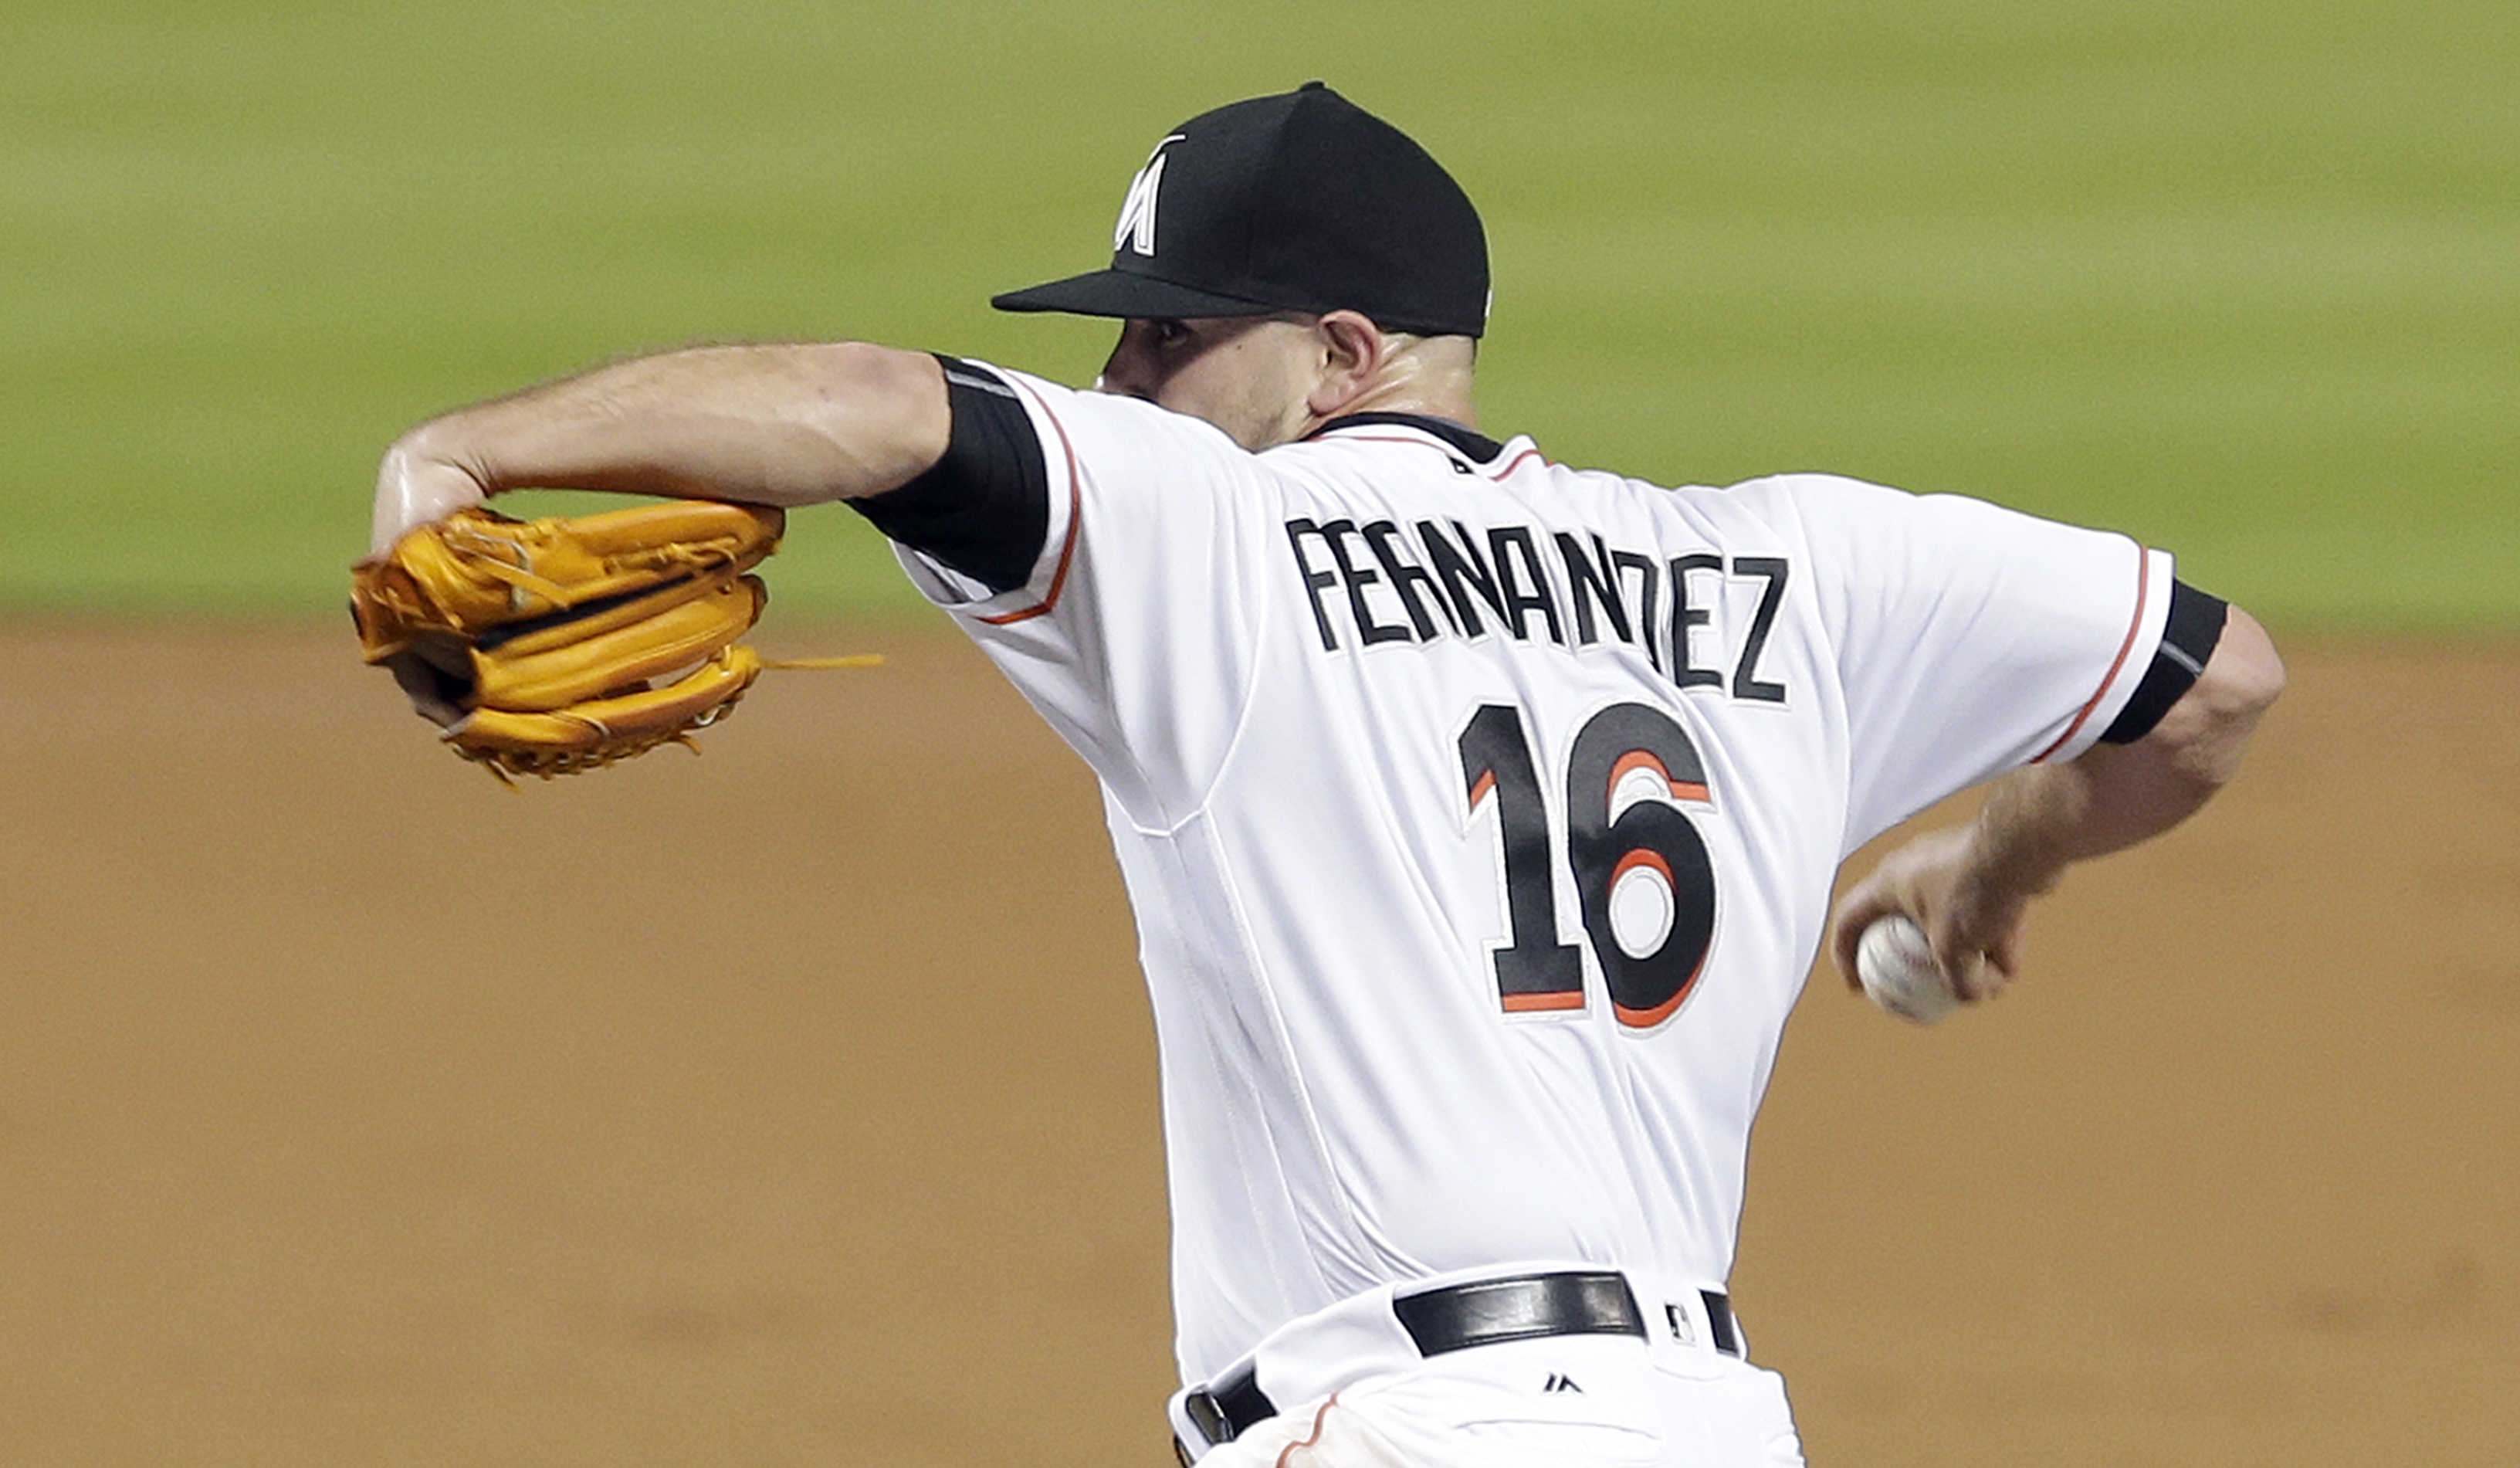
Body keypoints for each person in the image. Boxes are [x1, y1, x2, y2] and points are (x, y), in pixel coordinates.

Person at [371, 83, 2283, 1466]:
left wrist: (462, 448)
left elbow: (872, 404)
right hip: (1706, 1427)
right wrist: (1988, 869)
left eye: (1169, 335)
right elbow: (2213, 688)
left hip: (1392, 1430)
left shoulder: (1215, 537)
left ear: (1343, 353)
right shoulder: (1792, 566)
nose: (1121, 385)